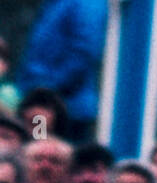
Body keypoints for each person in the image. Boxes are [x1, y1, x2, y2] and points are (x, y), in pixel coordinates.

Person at [16, 0, 107, 139]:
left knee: (51, 154)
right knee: (37, 148)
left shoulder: (85, 3)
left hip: (66, 109)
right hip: (40, 103)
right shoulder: (53, 5)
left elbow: (84, 51)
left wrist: (45, 93)